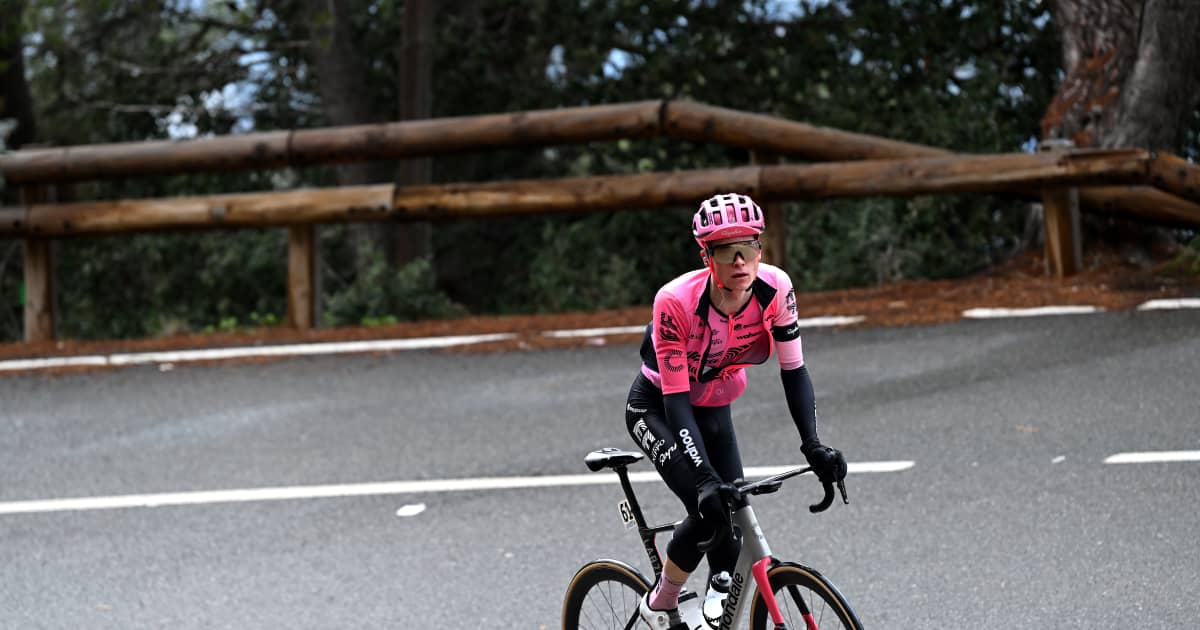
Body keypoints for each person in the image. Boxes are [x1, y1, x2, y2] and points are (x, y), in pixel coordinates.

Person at [626, 192, 848, 629]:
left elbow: (795, 372)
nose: (742, 262)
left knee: (734, 509)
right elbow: (675, 399)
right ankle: (660, 602)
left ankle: (719, 592)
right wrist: (705, 479)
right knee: (708, 507)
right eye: (728, 252)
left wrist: (813, 445)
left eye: (750, 248)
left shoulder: (776, 288)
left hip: (715, 404)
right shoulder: (674, 302)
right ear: (706, 256)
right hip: (659, 407)